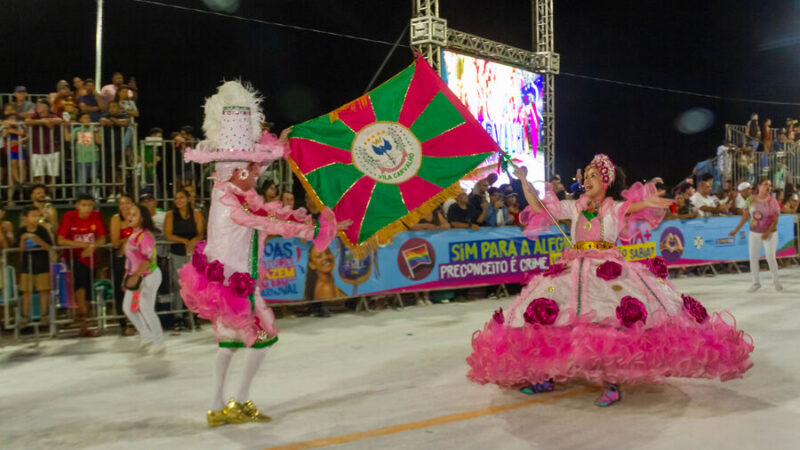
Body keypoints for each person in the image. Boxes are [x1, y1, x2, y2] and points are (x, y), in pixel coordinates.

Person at [467, 154, 753, 407]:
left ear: (605, 181)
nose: (586, 179)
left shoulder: (613, 208)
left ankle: (611, 382)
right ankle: (548, 375)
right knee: (553, 319)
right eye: (585, 175)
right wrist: (523, 181)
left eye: (593, 176)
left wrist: (648, 201)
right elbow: (540, 208)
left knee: (607, 322)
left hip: (606, 269)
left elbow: (636, 205)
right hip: (573, 268)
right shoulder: (575, 206)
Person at [176, 81, 341, 426]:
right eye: (251, 168)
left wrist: (279, 142)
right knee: (264, 333)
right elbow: (268, 222)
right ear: (237, 171)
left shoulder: (233, 189)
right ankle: (234, 401)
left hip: (234, 281)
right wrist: (312, 231)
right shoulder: (230, 203)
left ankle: (220, 405)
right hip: (233, 285)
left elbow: (259, 171)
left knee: (232, 343)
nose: (257, 171)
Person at [57, 193, 106, 337]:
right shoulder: (68, 217)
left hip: (91, 260)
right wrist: (82, 245)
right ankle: (83, 320)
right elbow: (61, 240)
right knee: (80, 286)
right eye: (84, 205)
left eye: (90, 205)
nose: (87, 208)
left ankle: (85, 323)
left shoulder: (96, 216)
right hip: (74, 258)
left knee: (89, 289)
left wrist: (92, 246)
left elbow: (102, 238)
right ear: (77, 205)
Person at [122, 203, 165, 353]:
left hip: (149, 276)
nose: (130, 217)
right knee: (128, 308)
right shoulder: (133, 235)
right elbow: (130, 260)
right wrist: (126, 278)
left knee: (146, 308)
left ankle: (159, 341)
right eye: (129, 214)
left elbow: (147, 260)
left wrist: (135, 277)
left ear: (142, 219)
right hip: (137, 277)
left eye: (134, 214)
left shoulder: (145, 236)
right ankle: (146, 335)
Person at [730, 179, 782, 292]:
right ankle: (756, 282)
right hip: (754, 232)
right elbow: (745, 216)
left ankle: (776, 281)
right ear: (759, 186)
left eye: (770, 185)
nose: (768, 187)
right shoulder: (751, 200)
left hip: (770, 233)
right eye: (765, 184)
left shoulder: (772, 201)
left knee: (770, 257)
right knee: (753, 257)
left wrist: (767, 233)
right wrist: (736, 230)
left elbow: (775, 220)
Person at [164, 189, 205, 330]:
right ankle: (178, 317)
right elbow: (168, 235)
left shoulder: (196, 214)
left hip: (194, 254)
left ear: (188, 199)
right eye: (176, 198)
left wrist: (193, 241)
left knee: (194, 286)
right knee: (178, 285)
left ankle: (193, 315)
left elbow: (201, 233)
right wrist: (184, 241)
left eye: (181, 197)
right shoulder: (170, 216)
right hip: (177, 253)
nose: (178, 200)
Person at [15, 206, 53, 329]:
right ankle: (25, 317)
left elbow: (49, 247)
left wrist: (37, 240)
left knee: (44, 291)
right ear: (25, 218)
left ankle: (44, 315)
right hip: (27, 266)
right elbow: (20, 250)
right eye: (33, 216)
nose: (36, 218)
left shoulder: (42, 230)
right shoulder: (21, 231)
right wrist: (23, 239)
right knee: (26, 292)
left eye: (38, 216)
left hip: (42, 264)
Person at [109, 194, 135, 335]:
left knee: (135, 290)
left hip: (136, 259)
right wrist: (129, 239)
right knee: (121, 290)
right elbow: (115, 242)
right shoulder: (116, 219)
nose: (124, 206)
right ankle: (123, 323)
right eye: (121, 203)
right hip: (121, 258)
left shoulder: (136, 217)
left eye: (127, 202)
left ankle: (135, 320)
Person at [25, 100, 63, 189]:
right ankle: (39, 195)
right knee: (38, 175)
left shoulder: (52, 115)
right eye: (37, 105)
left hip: (52, 150)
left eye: (40, 105)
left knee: (52, 175)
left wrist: (46, 120)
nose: (37, 106)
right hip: (37, 150)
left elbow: (59, 120)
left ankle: (50, 197)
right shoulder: (35, 116)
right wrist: (43, 122)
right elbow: (27, 121)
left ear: (46, 107)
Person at [64, 112, 101, 194]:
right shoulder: (77, 130)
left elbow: (99, 141)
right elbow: (68, 139)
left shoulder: (93, 128)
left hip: (94, 158)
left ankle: (94, 196)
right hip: (81, 159)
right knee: (82, 180)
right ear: (80, 120)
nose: (87, 120)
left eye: (88, 118)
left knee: (94, 179)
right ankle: (80, 197)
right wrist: (65, 128)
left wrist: (96, 132)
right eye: (85, 118)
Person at [2, 111, 26, 204]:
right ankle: (10, 198)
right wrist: (15, 131)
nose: (13, 120)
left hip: (20, 149)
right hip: (11, 149)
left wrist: (19, 141)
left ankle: (21, 183)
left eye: (14, 118)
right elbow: (4, 134)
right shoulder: (5, 126)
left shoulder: (20, 126)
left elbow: (26, 136)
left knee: (23, 167)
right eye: (11, 118)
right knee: (13, 172)